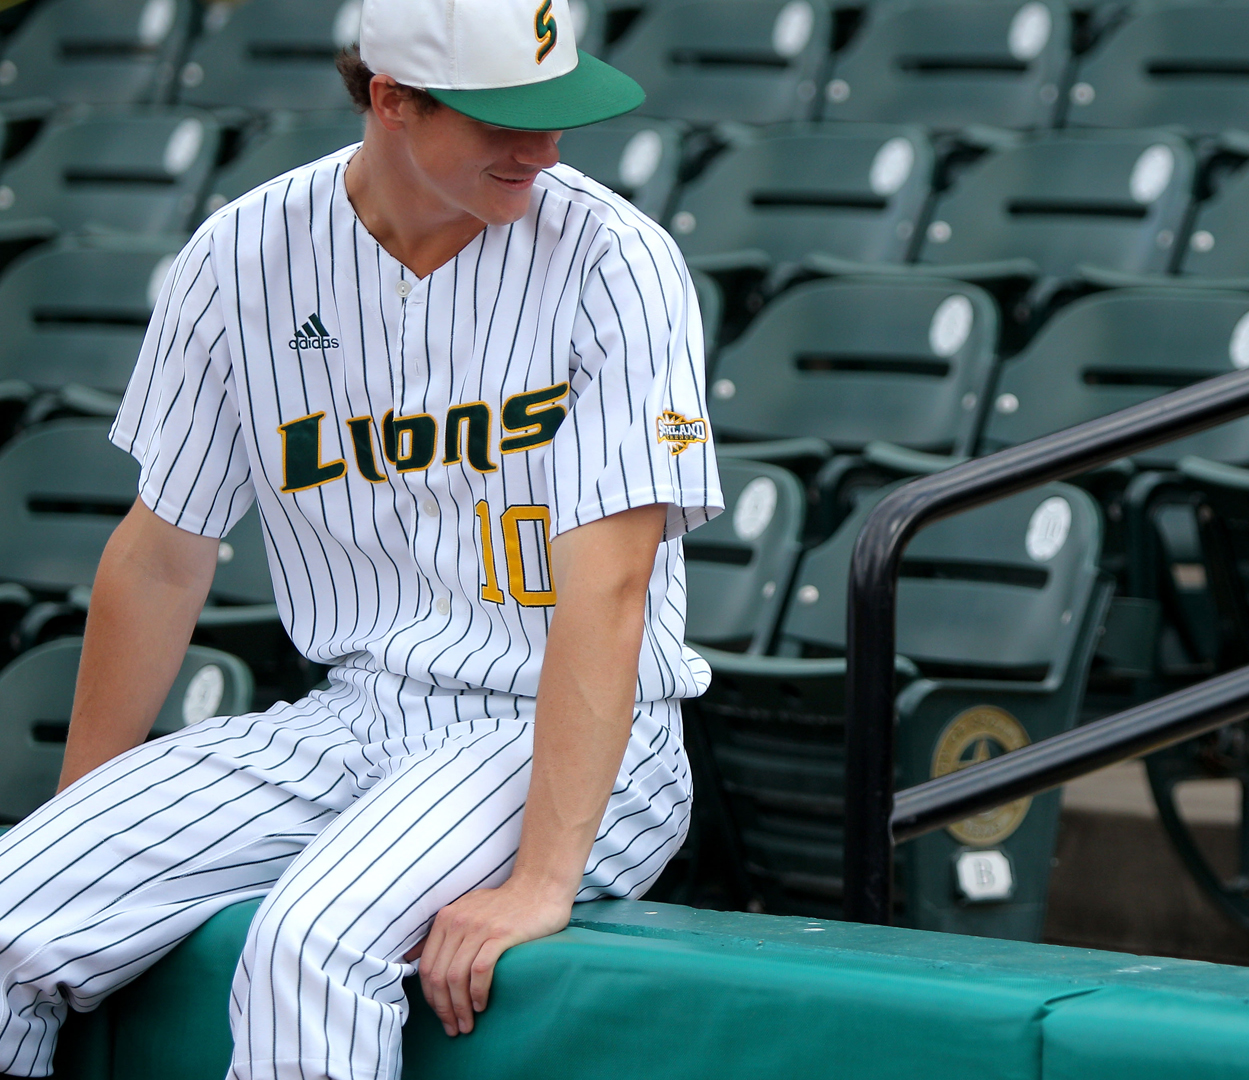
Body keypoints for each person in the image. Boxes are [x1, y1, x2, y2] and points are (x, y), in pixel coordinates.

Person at [0, 0, 720, 1074]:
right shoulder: (241, 255)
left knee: (311, 945)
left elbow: (612, 588)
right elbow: (161, 557)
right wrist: (92, 823)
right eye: (503, 120)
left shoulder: (616, 258)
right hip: (355, 718)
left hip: (577, 737)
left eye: (557, 113)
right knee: (14, 907)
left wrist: (542, 880)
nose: (542, 149)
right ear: (391, 99)